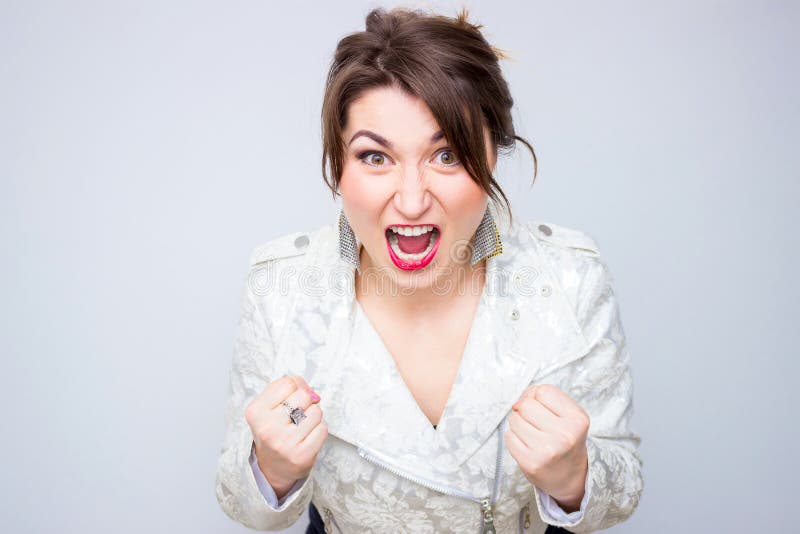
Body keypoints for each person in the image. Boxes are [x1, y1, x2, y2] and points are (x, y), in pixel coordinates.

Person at [215, 7, 643, 534]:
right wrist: (272, 471)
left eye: (446, 155)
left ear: (491, 157)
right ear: (338, 165)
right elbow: (241, 501)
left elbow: (621, 489)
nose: (412, 201)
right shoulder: (280, 289)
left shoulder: (571, 277)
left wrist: (575, 477)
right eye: (375, 157)